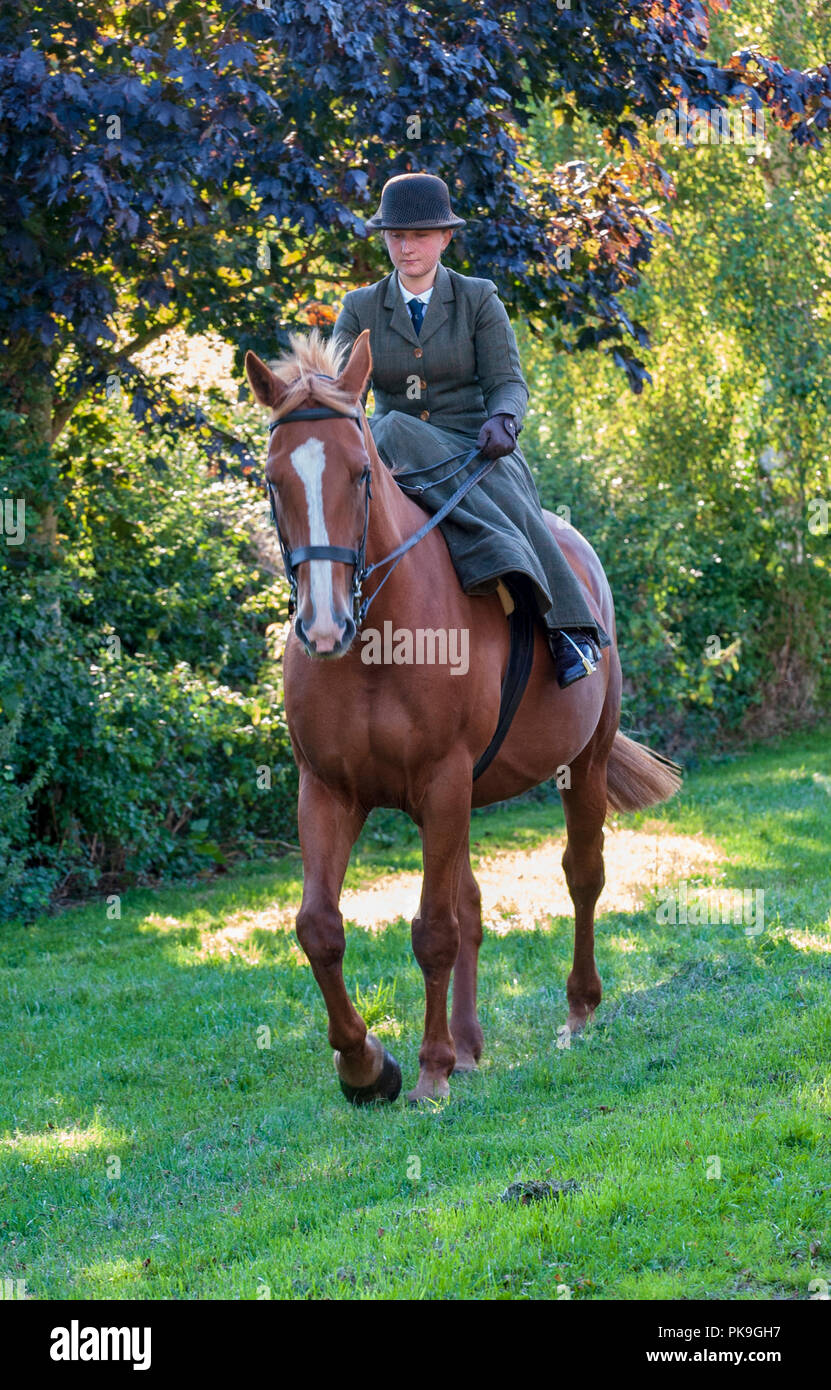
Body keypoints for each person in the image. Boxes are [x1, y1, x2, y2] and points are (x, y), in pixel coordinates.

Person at [332, 172, 611, 686]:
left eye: (418, 235)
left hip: (473, 447)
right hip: (392, 450)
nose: (406, 247)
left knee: (521, 509)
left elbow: (508, 381)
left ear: (445, 238)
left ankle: (571, 628)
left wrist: (505, 419)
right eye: (396, 236)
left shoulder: (479, 298)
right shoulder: (360, 307)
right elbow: (341, 390)